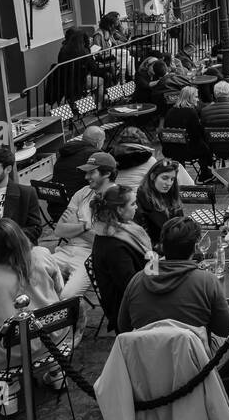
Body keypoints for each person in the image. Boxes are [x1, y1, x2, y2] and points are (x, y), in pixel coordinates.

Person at [117, 216, 229, 420]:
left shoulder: (138, 279)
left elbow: (123, 327)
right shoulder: (204, 280)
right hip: (194, 364)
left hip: (146, 363)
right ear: (196, 246)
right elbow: (226, 329)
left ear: (162, 246)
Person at [0, 217, 67, 412]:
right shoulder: (42, 255)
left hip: (11, 353)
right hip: (54, 338)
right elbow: (60, 290)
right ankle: (56, 372)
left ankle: (7, 396)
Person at [47, 150, 116, 301]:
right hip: (66, 251)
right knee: (31, 275)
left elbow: (104, 243)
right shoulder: (83, 192)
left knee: (68, 296)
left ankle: (74, 318)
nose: (86, 177)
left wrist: (76, 225)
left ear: (106, 173)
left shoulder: (117, 199)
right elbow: (59, 231)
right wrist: (85, 227)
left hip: (91, 256)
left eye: (91, 172)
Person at [89, 185, 154, 334]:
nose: (137, 207)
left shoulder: (120, 227)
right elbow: (131, 286)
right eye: (132, 204)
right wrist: (155, 266)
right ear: (119, 210)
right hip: (129, 311)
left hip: (139, 289)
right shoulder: (114, 246)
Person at [161, 86, 214, 182]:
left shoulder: (170, 111)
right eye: (196, 97)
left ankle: (182, 176)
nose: (197, 99)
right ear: (189, 98)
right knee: (204, 145)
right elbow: (197, 134)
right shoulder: (191, 112)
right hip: (188, 150)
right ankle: (205, 173)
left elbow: (165, 130)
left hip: (171, 149)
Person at [49, 126, 106, 215]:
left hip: (55, 207)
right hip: (77, 209)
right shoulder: (96, 156)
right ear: (98, 143)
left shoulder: (66, 152)